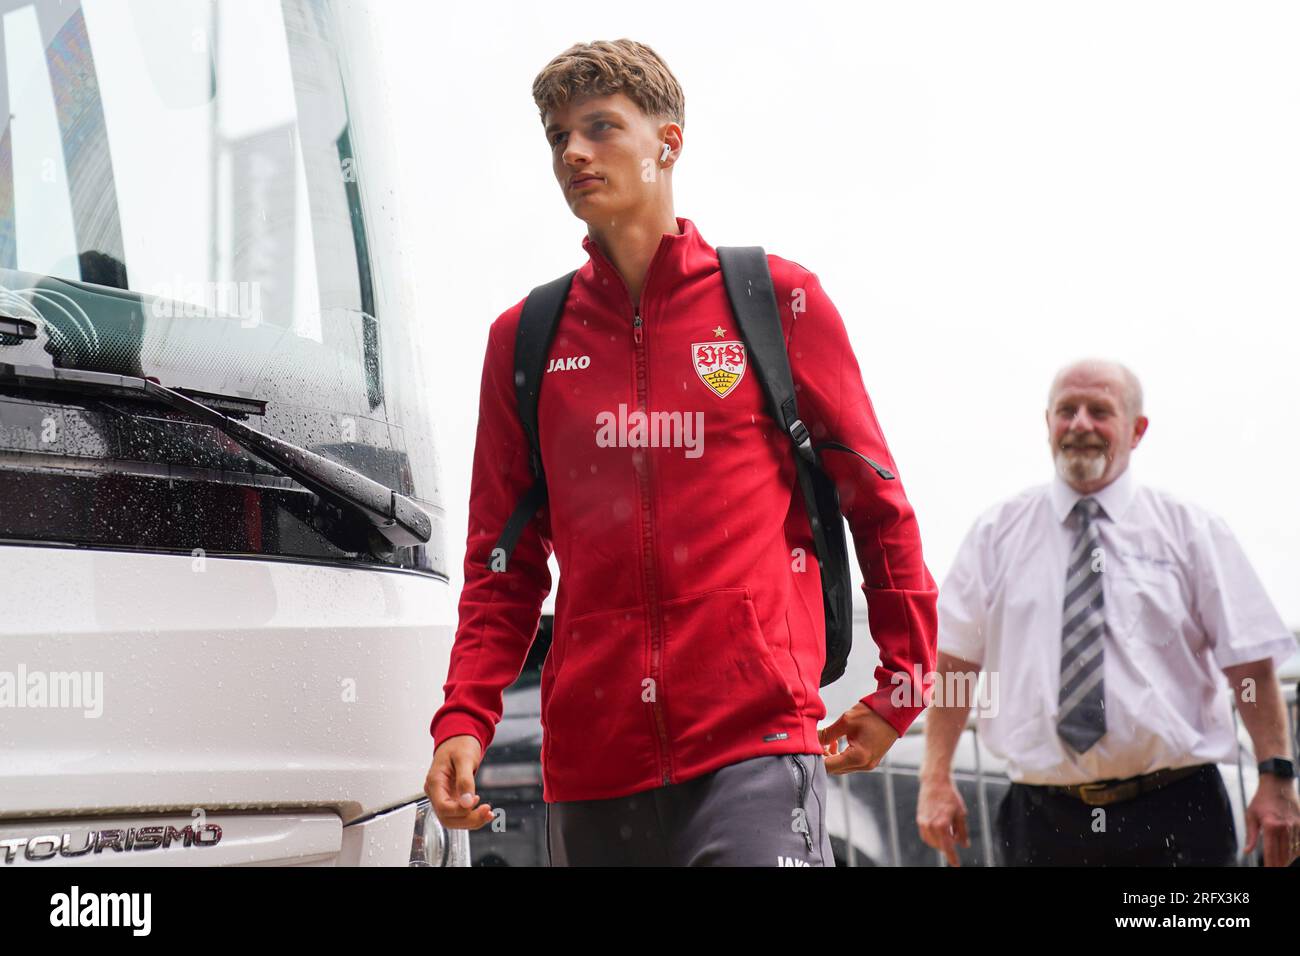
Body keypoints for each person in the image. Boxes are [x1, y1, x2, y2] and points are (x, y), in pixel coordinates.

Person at [423, 38, 938, 866]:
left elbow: (878, 505)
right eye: (558, 136)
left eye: (600, 127)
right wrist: (465, 718)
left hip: (756, 742)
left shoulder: (778, 301)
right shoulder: (524, 339)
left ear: (669, 142)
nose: (574, 153)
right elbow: (502, 564)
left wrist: (903, 686)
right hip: (591, 766)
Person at [917, 358, 1300, 867]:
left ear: (1137, 429)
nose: (1079, 424)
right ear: (1047, 422)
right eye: (1065, 410)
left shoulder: (1191, 531)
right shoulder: (995, 535)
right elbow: (956, 666)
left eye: (1099, 411)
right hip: (1041, 821)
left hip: (1179, 814)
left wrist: (1276, 774)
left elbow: (1249, 666)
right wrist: (935, 777)